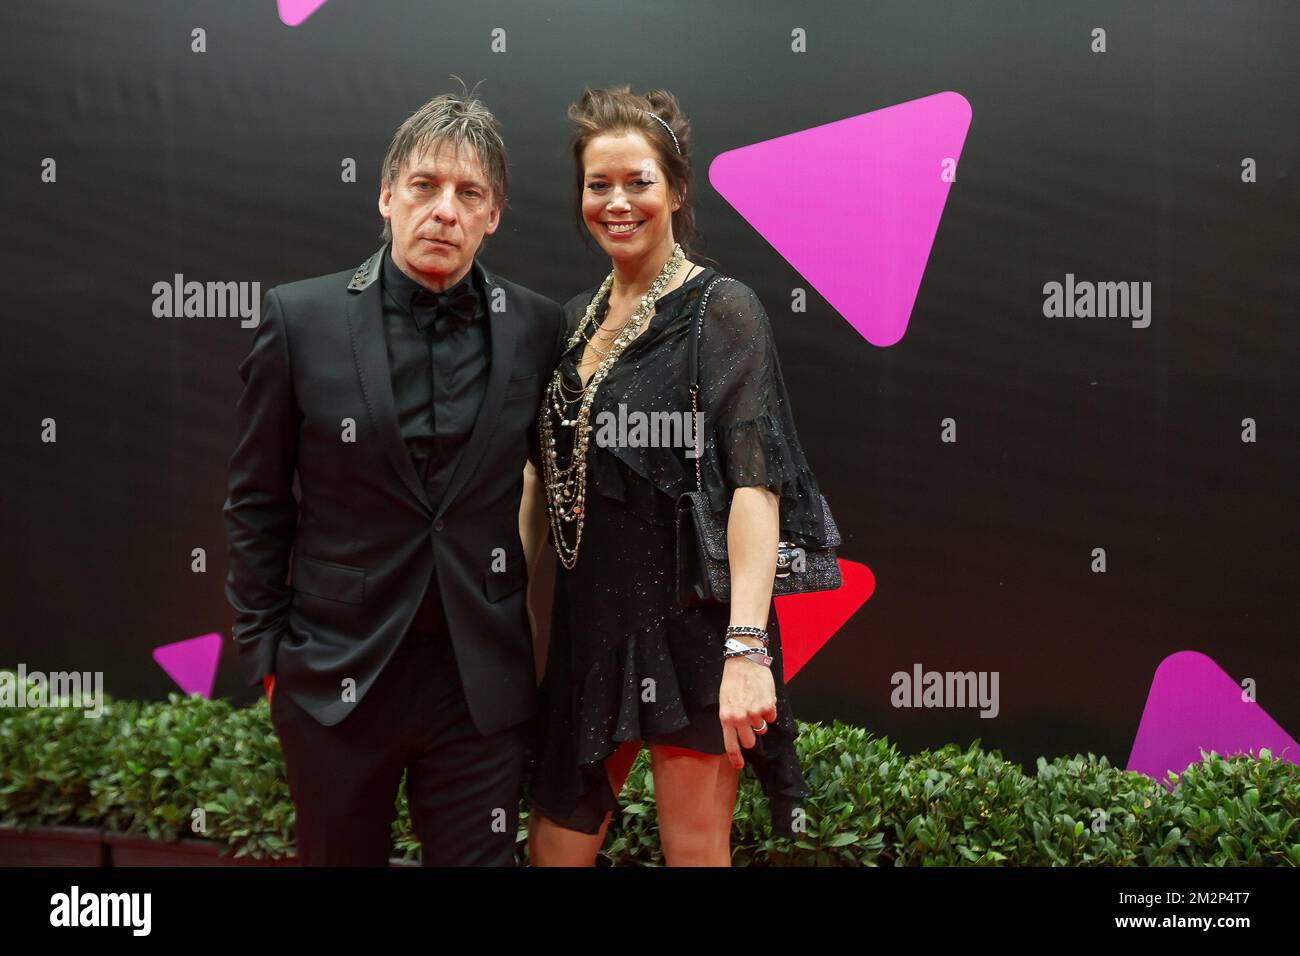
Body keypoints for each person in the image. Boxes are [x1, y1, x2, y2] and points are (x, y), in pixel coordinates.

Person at [223, 85, 564, 865]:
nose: (444, 209)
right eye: (425, 186)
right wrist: (269, 657)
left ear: (493, 215)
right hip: (336, 677)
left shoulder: (538, 327)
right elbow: (256, 498)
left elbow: (565, 485)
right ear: (385, 196)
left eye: (468, 193)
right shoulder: (299, 319)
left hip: (479, 685)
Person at [522, 87, 832, 866]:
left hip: (691, 629)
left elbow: (756, 489)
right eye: (599, 185)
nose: (617, 202)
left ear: (677, 189)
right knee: (552, 847)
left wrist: (747, 650)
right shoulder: (569, 324)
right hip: (584, 629)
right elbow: (539, 482)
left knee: (694, 851)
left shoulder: (719, 312)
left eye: (638, 182)